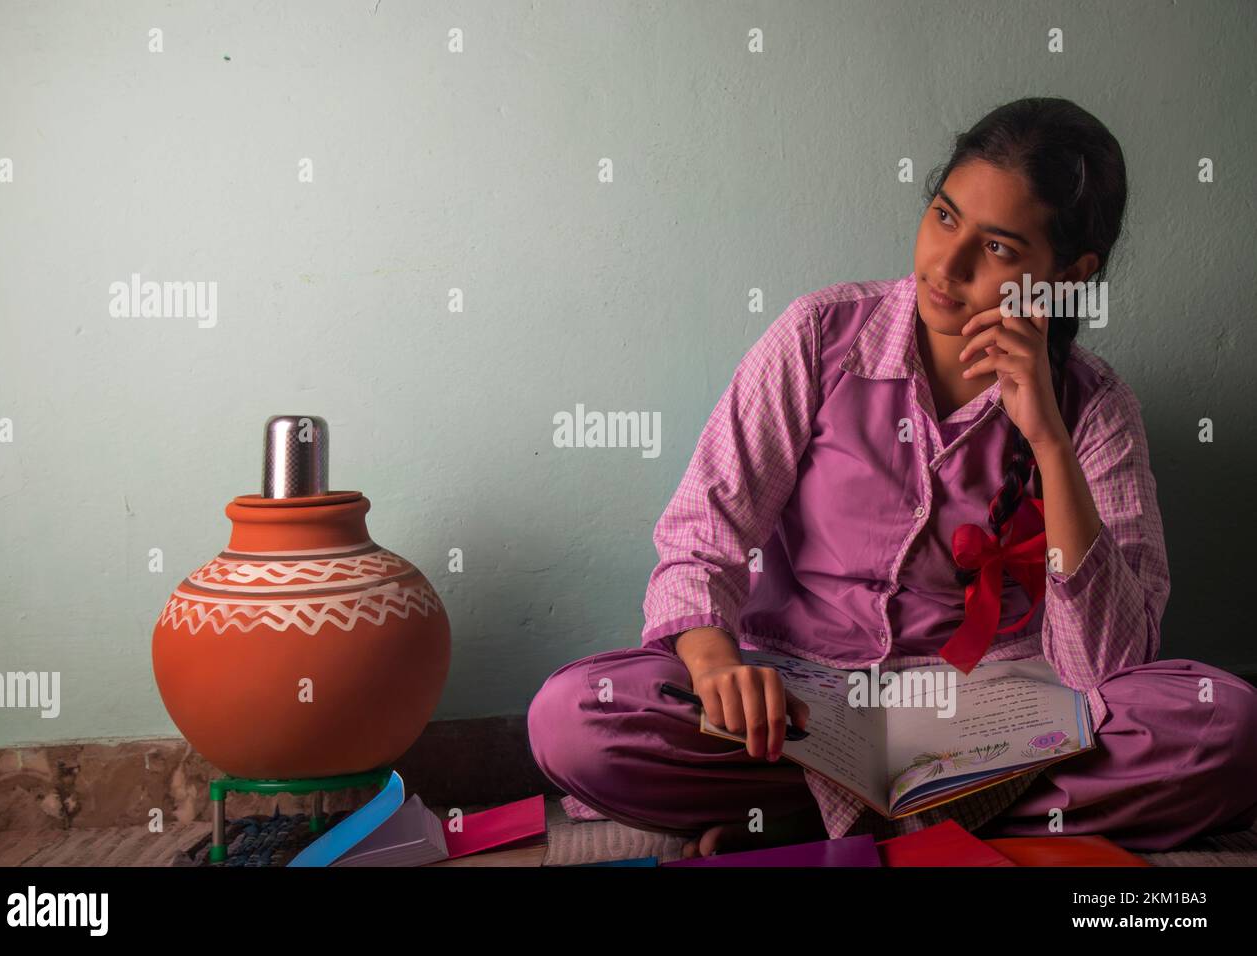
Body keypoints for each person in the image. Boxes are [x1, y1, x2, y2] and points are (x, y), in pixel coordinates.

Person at [526, 97, 1257, 857]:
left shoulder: (1095, 407)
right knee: (576, 717)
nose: (948, 265)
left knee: (1225, 726)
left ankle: (812, 827)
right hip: (798, 713)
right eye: (944, 217)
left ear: (1068, 275)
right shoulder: (819, 337)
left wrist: (1047, 440)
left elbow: (1108, 666)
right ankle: (923, 823)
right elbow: (701, 537)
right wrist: (717, 669)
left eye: (1000, 248)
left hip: (992, 730)